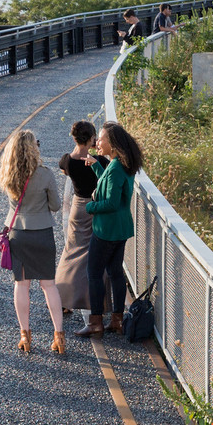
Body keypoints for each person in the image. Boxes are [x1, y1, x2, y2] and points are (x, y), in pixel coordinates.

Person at [0, 128, 64, 353]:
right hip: (43, 232)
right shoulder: (45, 174)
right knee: (49, 285)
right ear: (33, 148)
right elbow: (55, 206)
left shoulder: (9, 174)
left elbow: (12, 207)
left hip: (19, 233)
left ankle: (25, 336)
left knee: (21, 285)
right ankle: (59, 336)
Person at [82, 122, 142, 336]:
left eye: (101, 138)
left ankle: (95, 322)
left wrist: (90, 207)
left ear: (113, 144)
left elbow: (111, 203)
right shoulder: (122, 164)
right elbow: (110, 182)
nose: (97, 142)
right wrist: (96, 166)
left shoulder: (116, 168)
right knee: (115, 272)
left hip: (106, 230)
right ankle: (117, 319)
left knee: (94, 273)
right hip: (121, 228)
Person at [53, 121, 96, 315]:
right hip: (95, 207)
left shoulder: (68, 161)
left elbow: (64, 168)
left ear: (74, 138)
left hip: (77, 208)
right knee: (91, 255)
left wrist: (79, 146)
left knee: (70, 253)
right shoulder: (98, 162)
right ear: (92, 139)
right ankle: (89, 300)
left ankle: (61, 298)